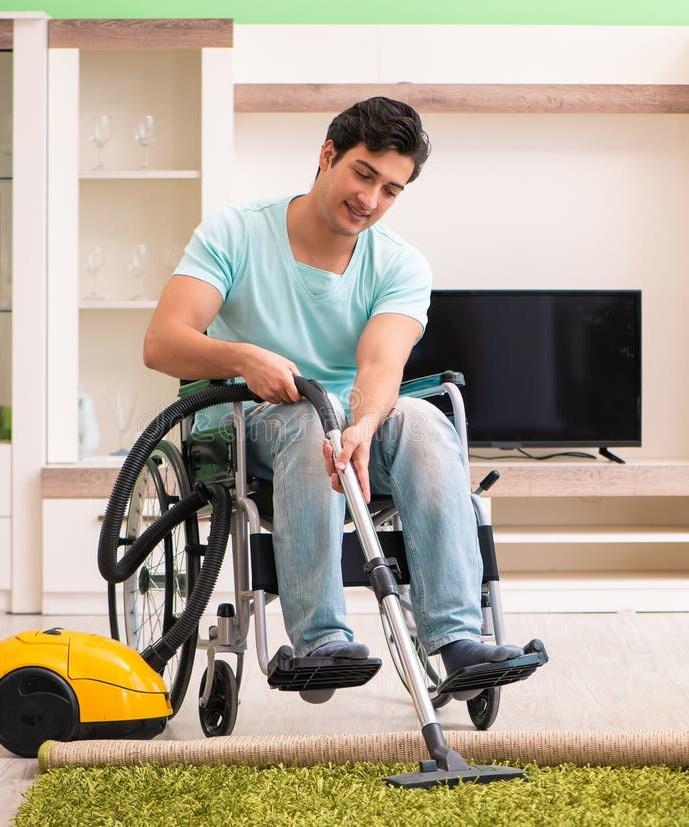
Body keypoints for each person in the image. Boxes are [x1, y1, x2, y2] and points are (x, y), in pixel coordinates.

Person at [143, 96, 526, 682]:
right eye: (363, 174)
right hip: (242, 420)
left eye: (391, 189)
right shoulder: (236, 231)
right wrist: (244, 358)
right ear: (327, 155)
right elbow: (162, 342)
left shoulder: (401, 265)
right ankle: (321, 641)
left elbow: (380, 366)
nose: (370, 200)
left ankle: (456, 639)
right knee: (303, 419)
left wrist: (364, 426)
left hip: (346, 421)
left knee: (424, 420)